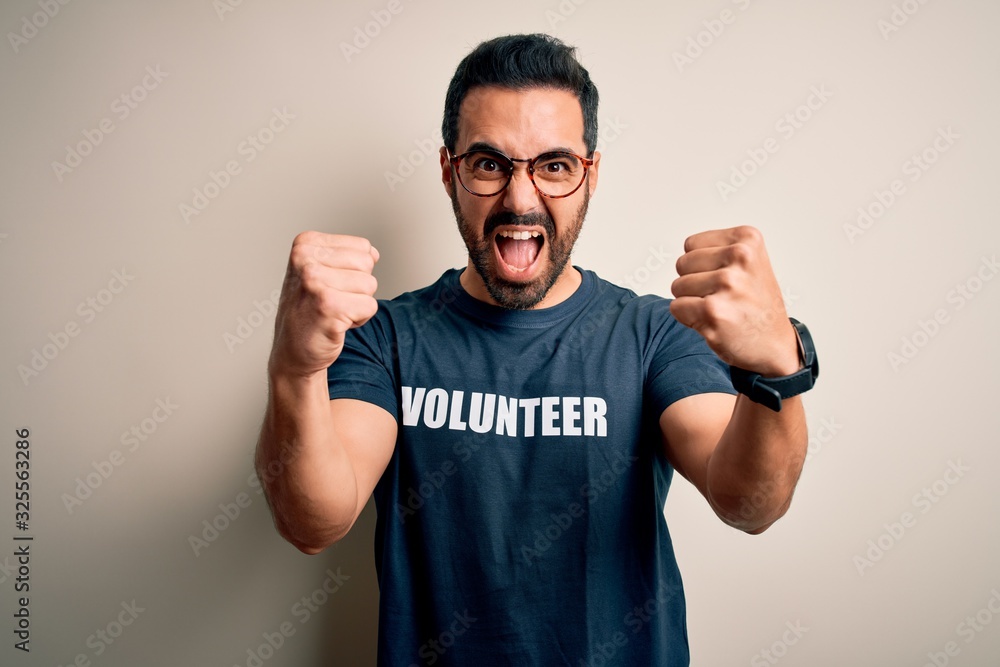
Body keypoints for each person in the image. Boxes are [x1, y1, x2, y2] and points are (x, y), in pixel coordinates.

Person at [255, 33, 817, 666]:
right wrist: (294, 367)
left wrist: (775, 366)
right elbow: (313, 522)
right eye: (490, 164)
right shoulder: (386, 337)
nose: (521, 200)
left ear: (589, 176)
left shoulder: (653, 333)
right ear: (450, 171)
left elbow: (749, 502)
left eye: (553, 166)